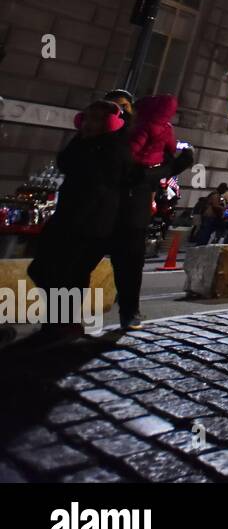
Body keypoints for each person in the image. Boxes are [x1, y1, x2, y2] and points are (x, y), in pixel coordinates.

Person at [25, 101, 132, 346]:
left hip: (91, 222)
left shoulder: (114, 148)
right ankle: (61, 322)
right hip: (69, 217)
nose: (89, 124)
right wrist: (81, 137)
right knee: (47, 270)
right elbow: (65, 163)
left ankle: (62, 324)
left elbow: (102, 184)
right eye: (87, 118)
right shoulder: (84, 143)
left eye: (96, 120)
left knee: (69, 273)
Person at [110, 92, 192, 330]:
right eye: (114, 106)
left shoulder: (150, 130)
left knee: (129, 264)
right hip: (98, 209)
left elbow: (163, 167)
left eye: (124, 106)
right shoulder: (105, 131)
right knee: (75, 265)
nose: (121, 111)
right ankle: (61, 320)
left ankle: (129, 311)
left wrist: (179, 163)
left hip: (133, 210)